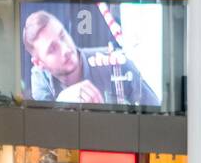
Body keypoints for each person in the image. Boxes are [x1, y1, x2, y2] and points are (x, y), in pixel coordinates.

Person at [22, 9, 160, 106]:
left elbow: (155, 115)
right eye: (52, 48)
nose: (65, 49)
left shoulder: (115, 61)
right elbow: (44, 128)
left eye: (62, 36)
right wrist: (62, 101)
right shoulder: (40, 76)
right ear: (39, 63)